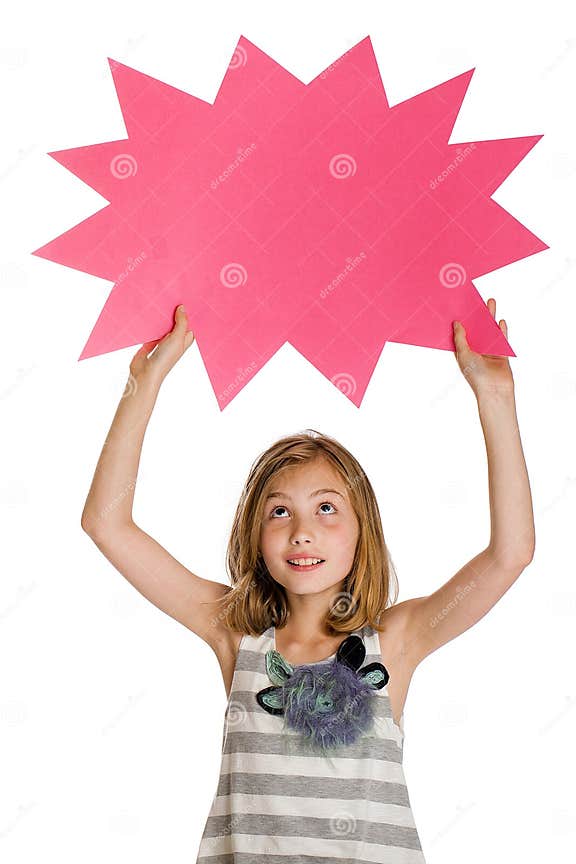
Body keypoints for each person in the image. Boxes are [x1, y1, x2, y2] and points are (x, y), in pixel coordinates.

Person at [81, 300, 535, 862]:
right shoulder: (237, 636)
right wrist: (141, 385)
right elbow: (106, 523)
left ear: (360, 529)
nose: (302, 532)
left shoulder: (394, 640)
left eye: (326, 509)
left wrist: (496, 398)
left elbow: (511, 555)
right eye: (279, 512)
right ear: (254, 534)